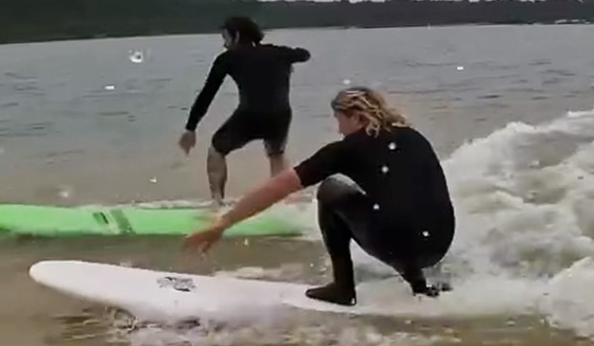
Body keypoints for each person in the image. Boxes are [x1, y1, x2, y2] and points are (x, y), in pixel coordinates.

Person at [184, 87, 455, 307]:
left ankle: (342, 288)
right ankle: (421, 287)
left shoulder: (345, 150)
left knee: (330, 190)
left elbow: (278, 187)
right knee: (404, 207)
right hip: (439, 242)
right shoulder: (413, 137)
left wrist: (224, 222)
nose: (339, 130)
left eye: (339, 121)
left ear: (357, 117)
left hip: (400, 244)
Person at [179, 16, 312, 203]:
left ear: (237, 35)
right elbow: (304, 54)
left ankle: (217, 203)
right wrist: (287, 60)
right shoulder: (278, 52)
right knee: (276, 155)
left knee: (217, 150)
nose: (224, 45)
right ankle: (287, 203)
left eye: (225, 38)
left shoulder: (227, 59)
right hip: (281, 115)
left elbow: (207, 94)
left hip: (250, 115)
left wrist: (191, 127)